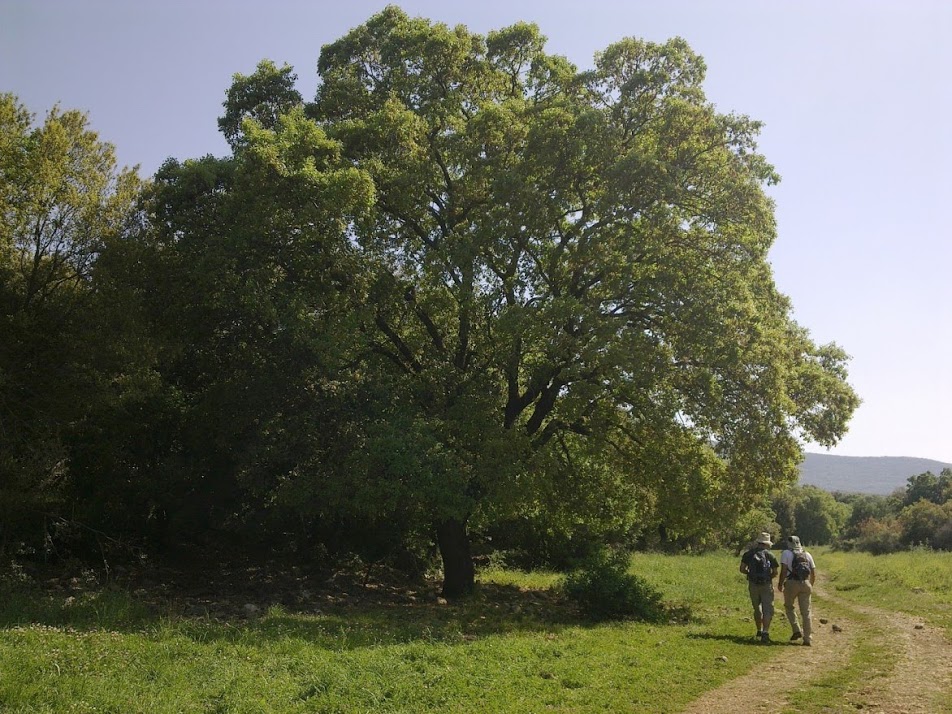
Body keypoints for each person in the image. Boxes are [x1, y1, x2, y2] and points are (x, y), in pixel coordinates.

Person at [739, 532, 779, 643]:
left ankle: (759, 630)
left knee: (757, 608)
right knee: (768, 609)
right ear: (767, 544)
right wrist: (768, 577)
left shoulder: (748, 554)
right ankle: (765, 633)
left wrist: (750, 574)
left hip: (753, 584)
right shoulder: (770, 555)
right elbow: (775, 572)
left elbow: (742, 569)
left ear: (758, 542)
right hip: (766, 585)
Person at [778, 535, 816, 646]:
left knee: (789, 607)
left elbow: (784, 571)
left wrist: (780, 584)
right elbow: (813, 572)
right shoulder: (807, 554)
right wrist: (810, 585)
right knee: (806, 612)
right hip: (805, 583)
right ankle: (807, 638)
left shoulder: (786, 553)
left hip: (791, 583)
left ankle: (796, 630)